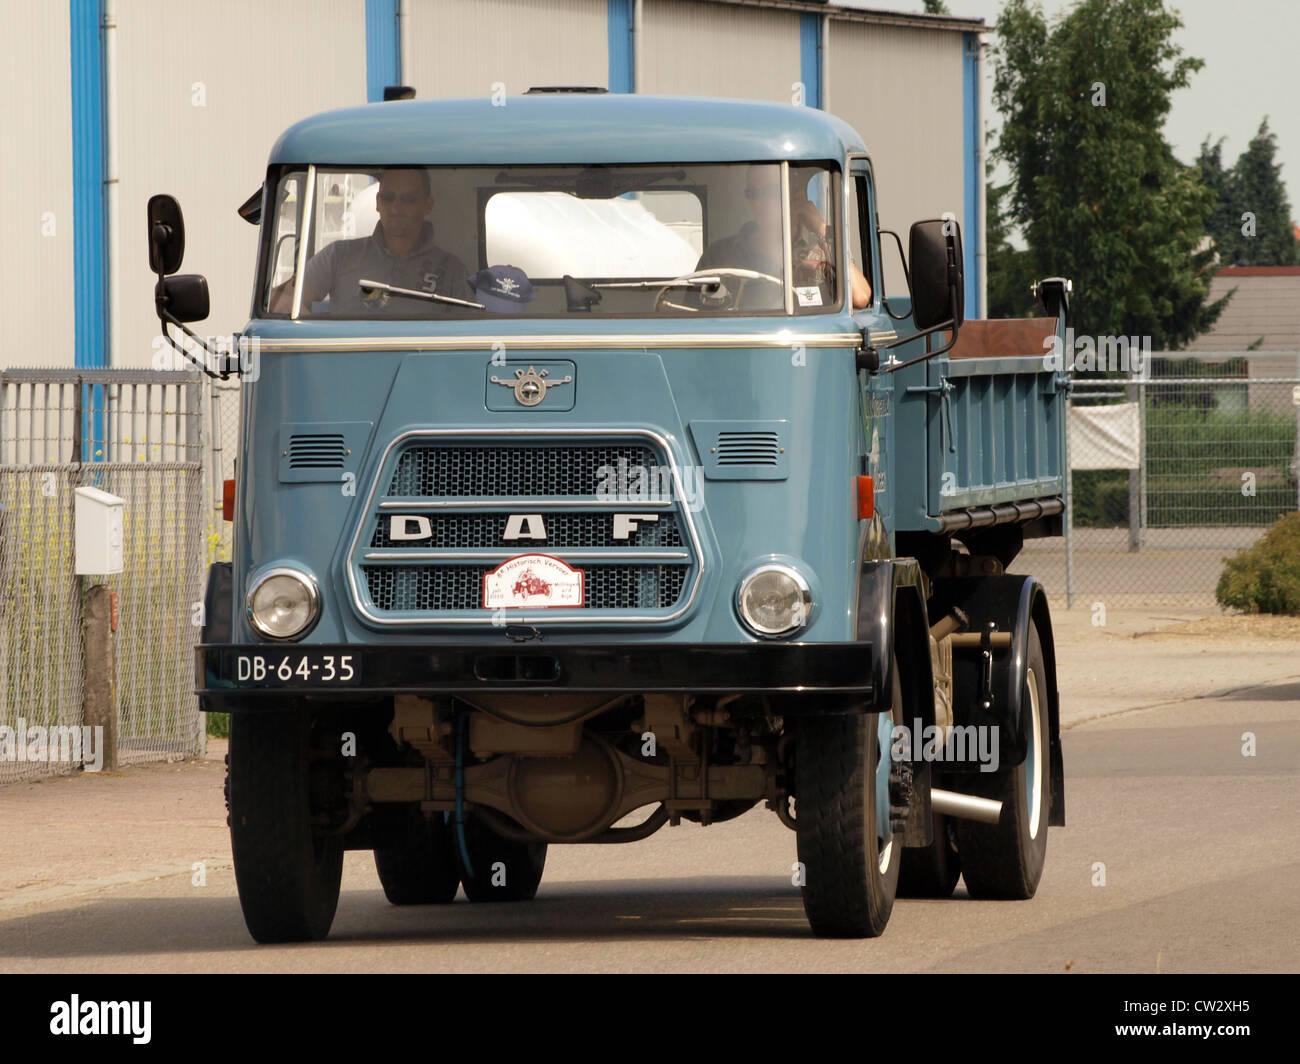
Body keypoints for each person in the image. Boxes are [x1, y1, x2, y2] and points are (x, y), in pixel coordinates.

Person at [268, 167, 473, 316]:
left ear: (427, 205)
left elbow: (470, 332)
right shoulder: (339, 256)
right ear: (377, 203)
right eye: (388, 198)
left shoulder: (451, 269)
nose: (396, 208)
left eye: (408, 199)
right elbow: (281, 300)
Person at [695, 164, 872, 310]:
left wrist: (822, 230)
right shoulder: (719, 254)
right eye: (752, 193)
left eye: (771, 191)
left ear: (796, 196)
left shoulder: (821, 251)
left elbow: (860, 296)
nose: (759, 202)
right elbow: (692, 312)